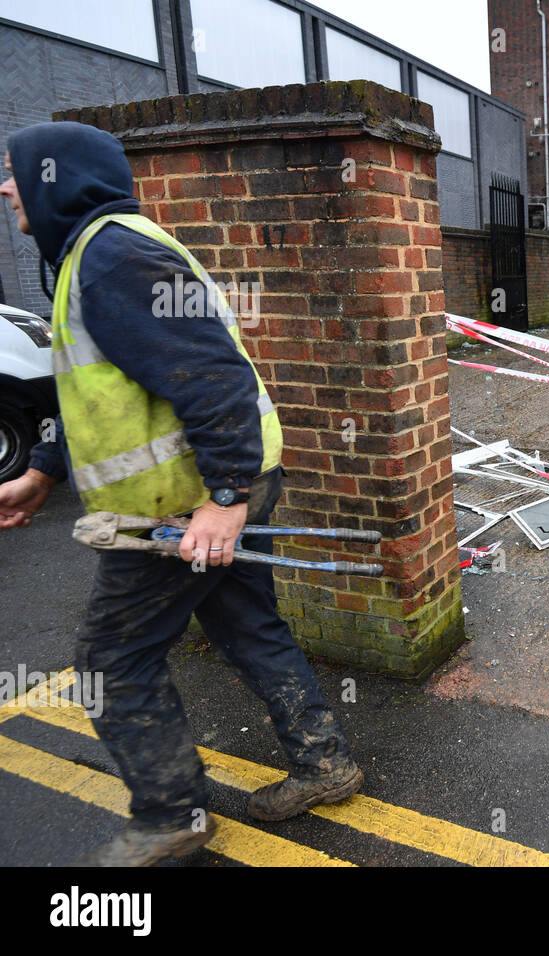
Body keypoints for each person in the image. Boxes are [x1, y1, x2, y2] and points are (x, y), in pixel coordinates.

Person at [0, 122, 362, 866]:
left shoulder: (112, 258)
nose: (5, 186)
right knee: (245, 624)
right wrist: (45, 468)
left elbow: (214, 375)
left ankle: (172, 813)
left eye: (14, 171)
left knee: (110, 662)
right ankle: (324, 763)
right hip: (209, 491)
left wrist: (224, 498)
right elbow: (106, 397)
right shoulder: (95, 257)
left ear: (54, 176)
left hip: (183, 506)